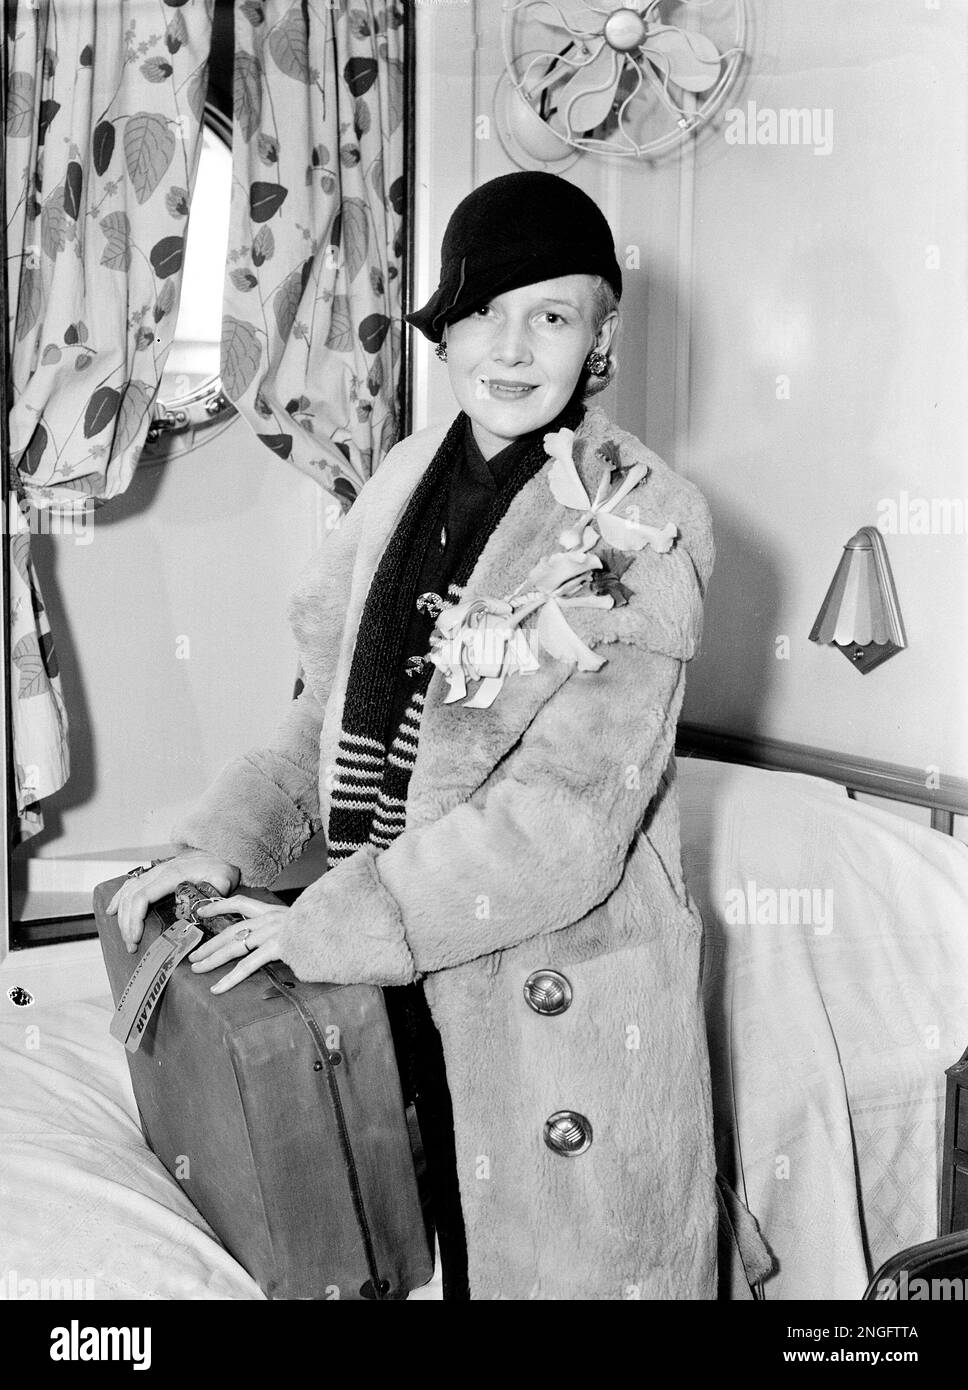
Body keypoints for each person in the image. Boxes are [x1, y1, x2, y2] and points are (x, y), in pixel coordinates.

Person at [108, 171, 719, 1300]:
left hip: (549, 994)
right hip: (398, 974)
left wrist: (332, 923)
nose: (511, 343)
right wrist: (228, 840)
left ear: (599, 338)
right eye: (483, 309)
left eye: (551, 312)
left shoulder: (640, 513)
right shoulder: (398, 480)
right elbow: (327, 711)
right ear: (441, 329)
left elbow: (563, 824)